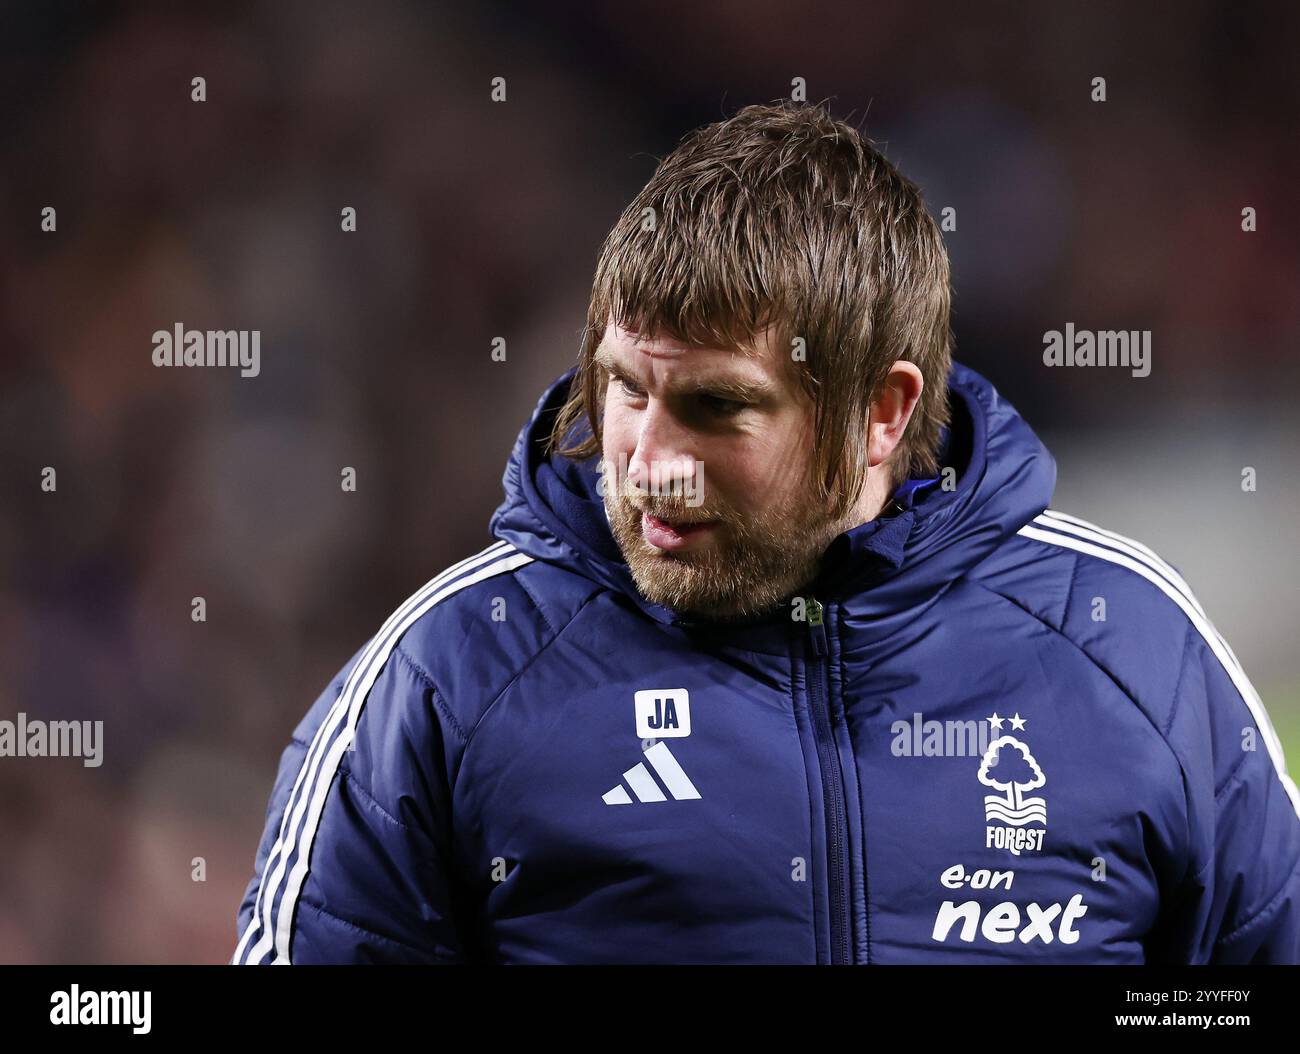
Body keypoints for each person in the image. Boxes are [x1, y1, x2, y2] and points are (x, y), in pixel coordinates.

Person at [232, 101, 1300, 964]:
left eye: (716, 406)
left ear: (881, 412)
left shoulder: (1129, 649)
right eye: (623, 390)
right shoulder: (448, 679)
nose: (648, 458)